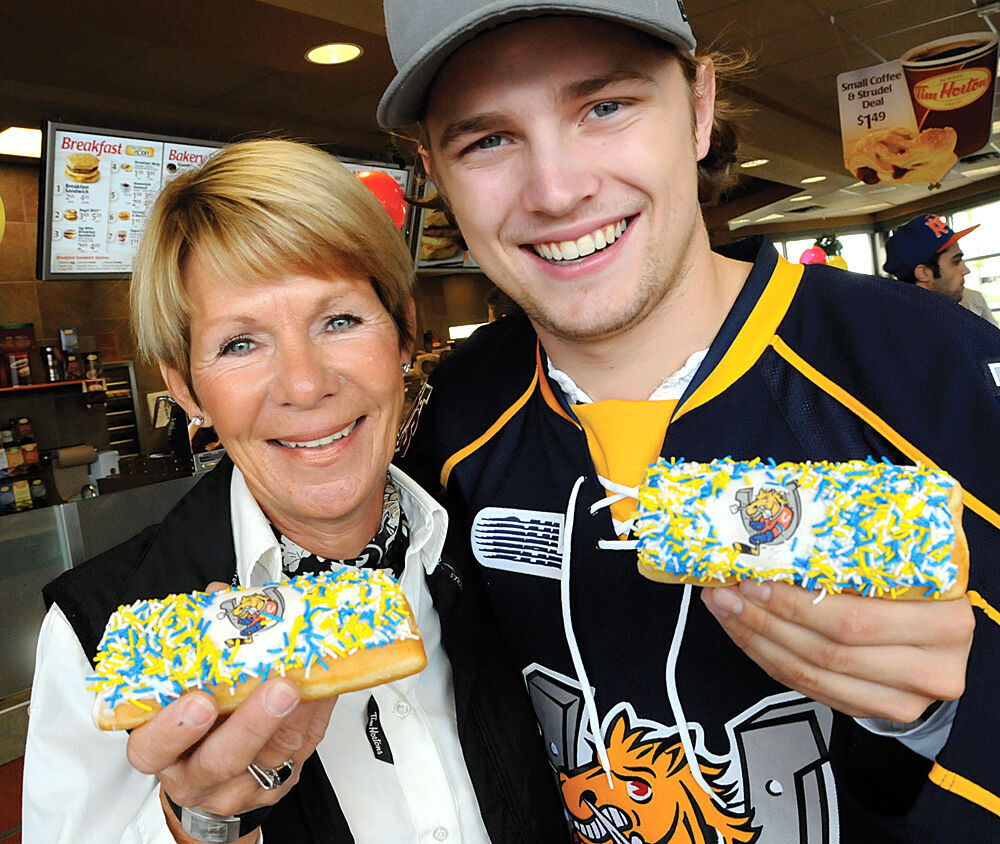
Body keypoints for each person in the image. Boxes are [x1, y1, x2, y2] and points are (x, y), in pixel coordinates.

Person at [380, 1, 1000, 840]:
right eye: (486, 139)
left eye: (605, 107)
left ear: (700, 108)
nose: (558, 190)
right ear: (435, 173)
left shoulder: (932, 367)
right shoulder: (442, 425)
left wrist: (931, 723)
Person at [22, 139, 564, 843]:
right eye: (241, 344)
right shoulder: (102, 635)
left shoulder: (499, 543)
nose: (306, 385)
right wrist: (199, 827)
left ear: (402, 332)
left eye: (339, 320)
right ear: (187, 388)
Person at [884, 213, 999, 326]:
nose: (966, 270)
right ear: (923, 273)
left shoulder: (969, 301)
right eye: (956, 261)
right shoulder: (905, 331)